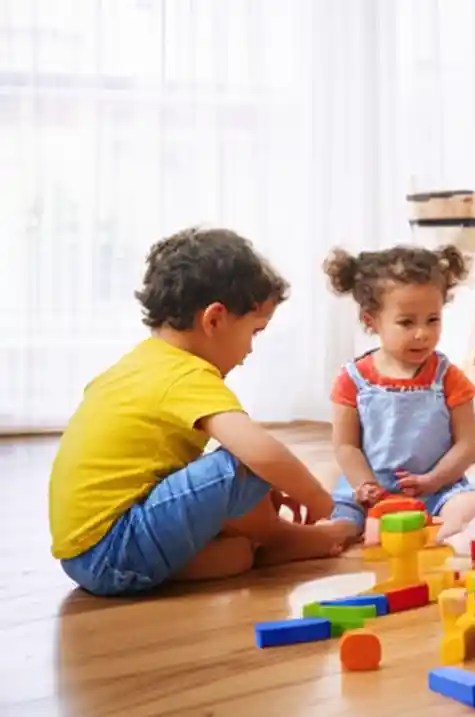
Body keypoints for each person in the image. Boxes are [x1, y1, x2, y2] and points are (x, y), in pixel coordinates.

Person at [49, 228, 346, 596]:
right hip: (117, 546)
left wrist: (258, 497)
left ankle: (258, 543)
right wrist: (321, 501)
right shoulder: (185, 373)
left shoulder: (143, 363)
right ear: (215, 320)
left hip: (86, 561)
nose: (250, 351)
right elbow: (260, 453)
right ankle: (286, 540)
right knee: (245, 463)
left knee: (236, 556)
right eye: (255, 331)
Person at [324, 245, 475, 541]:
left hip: (435, 488)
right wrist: (366, 485)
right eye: (407, 322)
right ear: (371, 320)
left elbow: (466, 444)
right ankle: (336, 533)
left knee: (468, 503)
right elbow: (346, 446)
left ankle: (438, 533)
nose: (422, 333)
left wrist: (433, 480)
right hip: (372, 490)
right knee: (342, 514)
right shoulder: (353, 379)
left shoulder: (448, 377)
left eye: (432, 320)